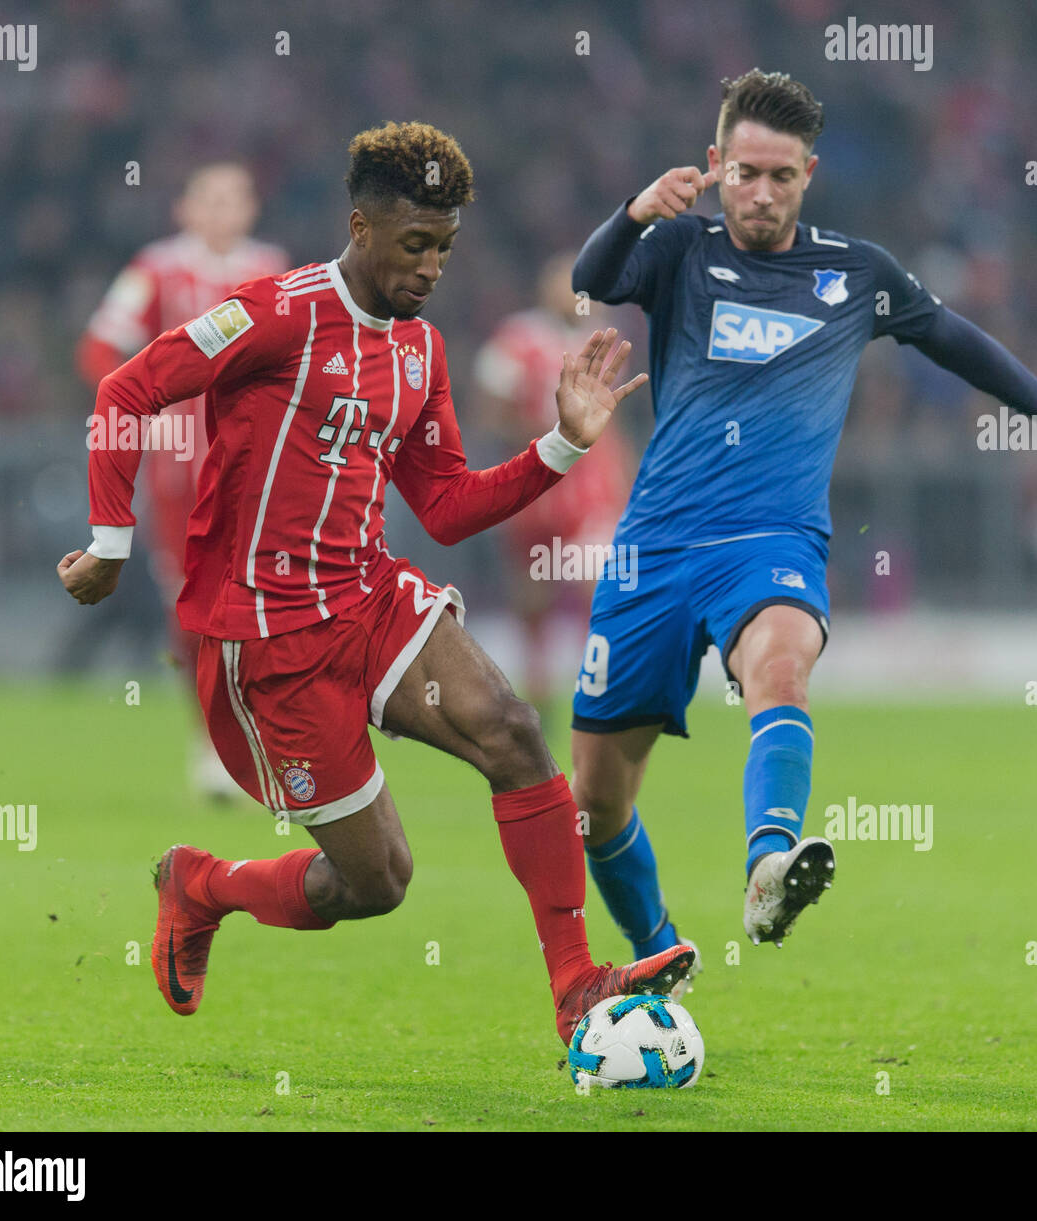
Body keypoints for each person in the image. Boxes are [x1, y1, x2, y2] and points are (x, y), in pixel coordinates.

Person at [58, 121, 694, 1045]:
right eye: (413, 244)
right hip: (268, 639)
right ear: (360, 227)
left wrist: (563, 444)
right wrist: (111, 541)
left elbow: (442, 506)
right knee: (375, 883)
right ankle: (200, 882)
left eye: (445, 247)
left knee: (514, 732)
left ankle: (576, 985)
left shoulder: (419, 352)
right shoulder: (273, 312)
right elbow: (127, 388)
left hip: (368, 598)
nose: (431, 266)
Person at [569, 70, 1037, 979]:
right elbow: (595, 277)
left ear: (809, 174)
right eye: (744, 172)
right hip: (655, 544)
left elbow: (953, 338)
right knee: (595, 802)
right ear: (714, 166)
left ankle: (768, 864)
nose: (761, 192)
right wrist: (634, 212)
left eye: (781, 176)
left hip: (772, 537)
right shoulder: (681, 250)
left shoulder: (854, 272)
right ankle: (658, 951)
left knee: (782, 663)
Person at [76, 162, 288, 798]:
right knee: (191, 608)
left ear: (251, 209)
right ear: (186, 209)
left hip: (261, 466)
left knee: (265, 597)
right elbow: (98, 347)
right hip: (180, 471)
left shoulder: (274, 270)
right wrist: (148, 410)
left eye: (235, 199)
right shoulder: (157, 269)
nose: (223, 211)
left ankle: (271, 738)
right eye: (210, 199)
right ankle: (209, 746)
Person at [473, 253, 634, 713]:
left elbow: (614, 422)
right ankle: (538, 688)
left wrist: (622, 476)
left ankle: (599, 685)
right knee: (532, 594)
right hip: (535, 483)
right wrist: (527, 434)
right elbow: (490, 407)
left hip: (589, 490)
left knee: (596, 583)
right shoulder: (517, 339)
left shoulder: (604, 341)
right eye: (568, 286)